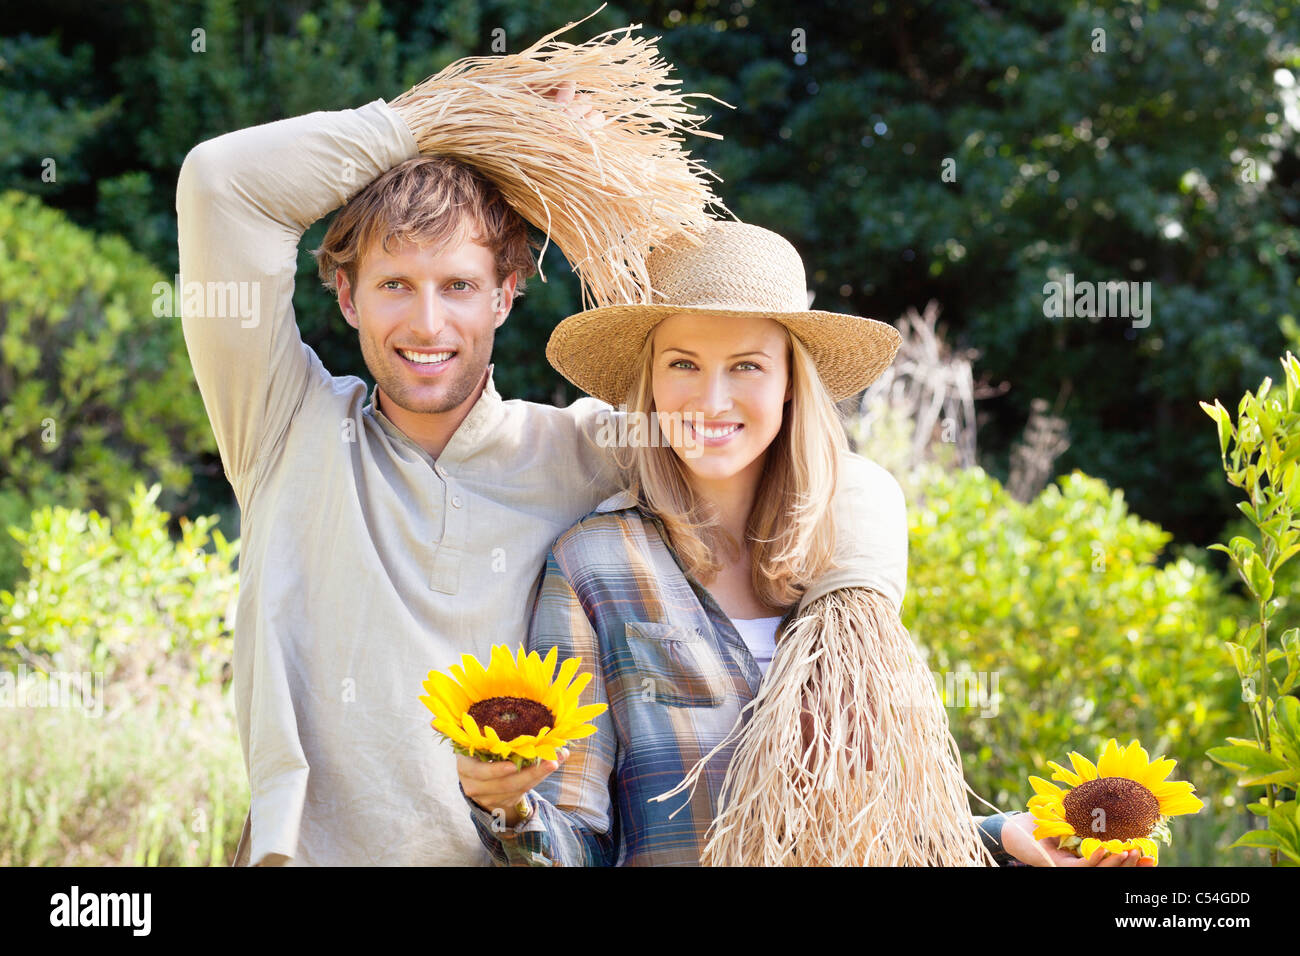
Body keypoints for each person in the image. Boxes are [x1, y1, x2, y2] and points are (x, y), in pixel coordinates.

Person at [175, 38, 909, 865]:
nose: (425, 324)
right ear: (345, 295)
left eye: (457, 285)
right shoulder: (282, 426)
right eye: (393, 286)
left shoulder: (579, 448)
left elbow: (819, 463)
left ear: (506, 294)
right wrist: (457, 125)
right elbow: (219, 183)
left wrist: (857, 603)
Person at [456, 221, 1156, 867]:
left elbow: (870, 834)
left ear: (792, 381)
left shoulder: (847, 565)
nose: (711, 398)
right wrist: (510, 804)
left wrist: (1005, 838)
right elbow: (574, 837)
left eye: (748, 366)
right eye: (682, 364)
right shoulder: (593, 565)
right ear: (648, 381)